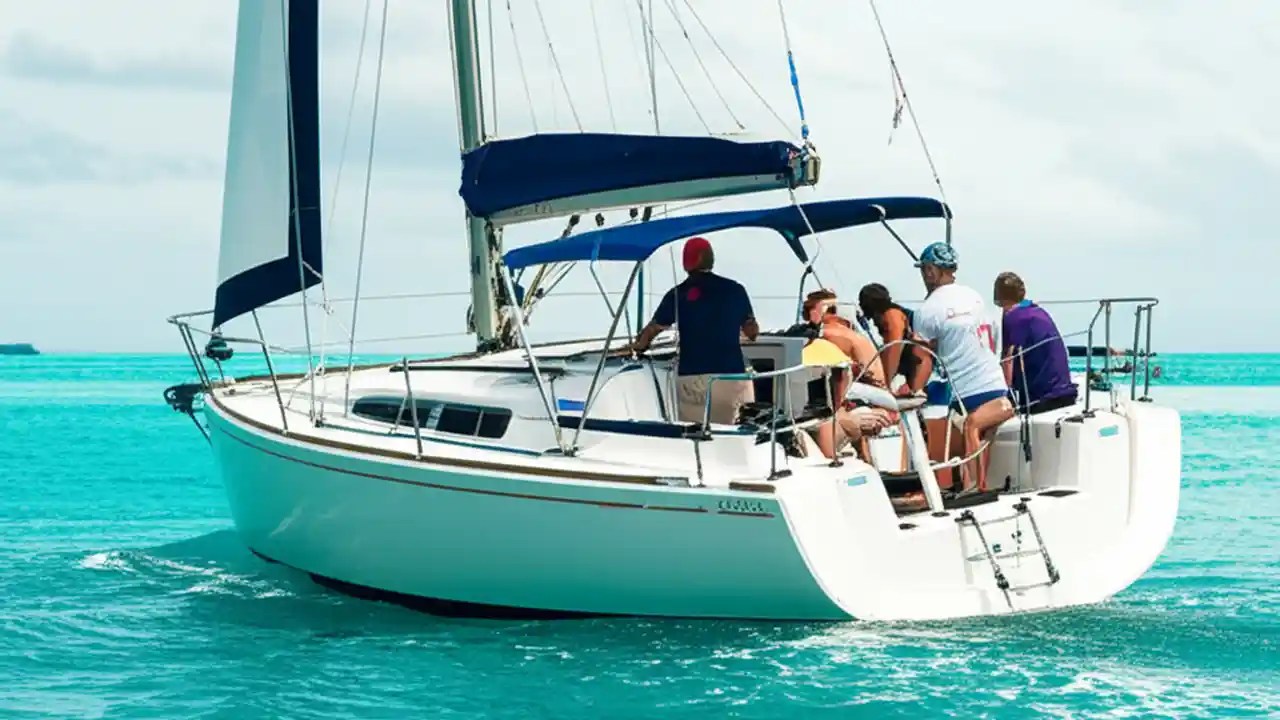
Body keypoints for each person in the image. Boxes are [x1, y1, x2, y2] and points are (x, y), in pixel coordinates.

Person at [908, 242, 1013, 493]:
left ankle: (975, 489)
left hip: (966, 394)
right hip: (996, 385)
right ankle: (971, 485)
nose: (924, 276)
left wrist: (912, 388)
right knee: (972, 435)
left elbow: (923, 358)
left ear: (932, 271)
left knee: (963, 431)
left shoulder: (927, 310)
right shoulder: (974, 296)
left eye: (925, 270)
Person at [625, 237, 758, 425]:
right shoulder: (735, 290)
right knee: (737, 434)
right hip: (731, 378)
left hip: (693, 380)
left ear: (686, 262)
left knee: (697, 439)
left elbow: (652, 331)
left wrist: (636, 347)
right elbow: (752, 332)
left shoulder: (677, 294)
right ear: (709, 259)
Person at [993, 271, 1078, 413]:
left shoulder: (1013, 317)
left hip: (1042, 398)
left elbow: (1008, 359)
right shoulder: (1037, 311)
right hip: (1065, 392)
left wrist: (1006, 397)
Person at [857, 282, 928, 392]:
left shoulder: (891, 316)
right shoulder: (888, 315)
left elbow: (893, 349)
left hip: (919, 367)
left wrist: (885, 384)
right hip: (912, 367)